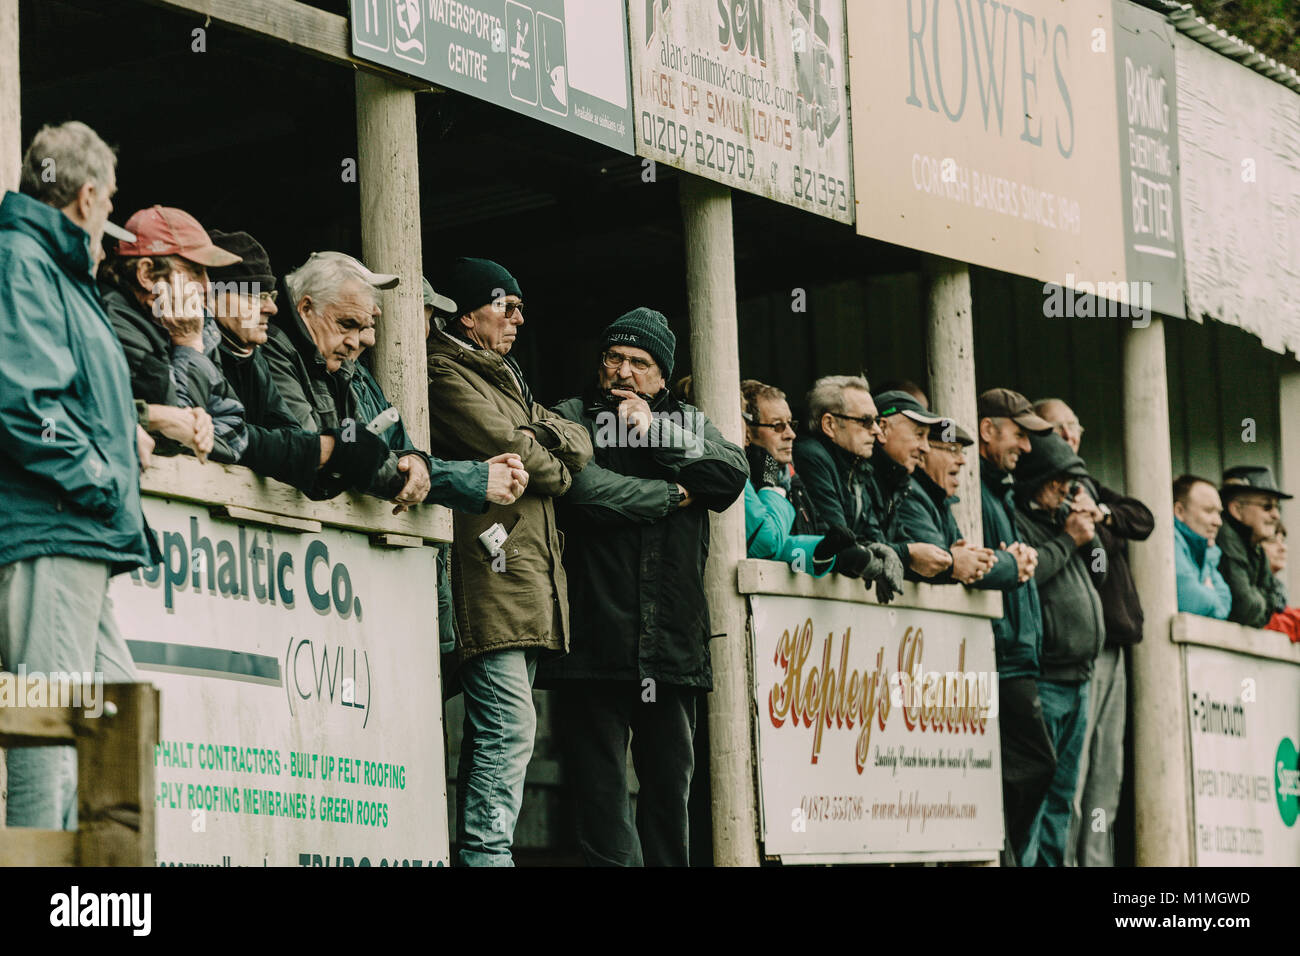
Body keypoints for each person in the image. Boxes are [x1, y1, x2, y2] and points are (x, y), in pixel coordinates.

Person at [543, 308, 748, 866]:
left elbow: (729, 479)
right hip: (593, 638)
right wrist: (673, 496)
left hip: (670, 643)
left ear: (662, 374)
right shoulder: (571, 415)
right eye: (615, 357)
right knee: (601, 798)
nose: (624, 372)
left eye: (640, 362)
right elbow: (582, 491)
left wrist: (654, 431)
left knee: (668, 795)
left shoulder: (687, 421)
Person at [0, 121, 159, 828]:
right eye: (112, 199)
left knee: (114, 728)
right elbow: (24, 406)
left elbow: (54, 396)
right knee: (50, 738)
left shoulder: (52, 266)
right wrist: (102, 478)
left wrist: (124, 434)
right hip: (53, 526)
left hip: (77, 532)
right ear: (90, 196)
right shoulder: (22, 261)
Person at [425, 257, 591, 866]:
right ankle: (487, 859)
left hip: (519, 581)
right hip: (487, 576)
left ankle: (482, 858)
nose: (519, 317)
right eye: (505, 304)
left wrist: (544, 444)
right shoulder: (445, 372)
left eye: (521, 306)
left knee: (497, 732)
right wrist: (545, 447)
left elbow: (577, 441)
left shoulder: (503, 377)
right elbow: (532, 458)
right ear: (466, 314)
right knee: (510, 730)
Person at [1034, 398, 1153, 868]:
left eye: (1075, 426)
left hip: (1115, 645)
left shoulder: (1089, 489)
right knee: (1072, 775)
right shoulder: (1043, 493)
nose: (1071, 435)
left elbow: (1143, 518)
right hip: (1074, 654)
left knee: (1108, 772)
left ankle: (1098, 862)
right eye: (1059, 428)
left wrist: (1099, 512)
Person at [202, 230, 397, 497]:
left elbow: (305, 459)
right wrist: (327, 450)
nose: (271, 308)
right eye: (254, 296)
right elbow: (221, 436)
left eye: (270, 295)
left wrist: (332, 454)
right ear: (209, 297)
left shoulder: (251, 355)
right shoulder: (266, 348)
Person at [263, 251, 440, 511]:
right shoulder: (275, 348)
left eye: (363, 327)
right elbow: (318, 449)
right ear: (306, 308)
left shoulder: (330, 364)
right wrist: (403, 476)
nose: (356, 342)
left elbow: (353, 441)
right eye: (346, 324)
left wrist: (416, 461)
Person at [1013, 431, 1107, 867]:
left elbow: (1102, 575)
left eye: (1073, 487)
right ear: (1038, 481)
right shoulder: (1019, 520)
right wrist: (1070, 539)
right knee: (1038, 793)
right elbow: (1029, 576)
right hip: (1045, 679)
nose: (1067, 494)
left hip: (1080, 680)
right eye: (1060, 485)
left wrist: (1092, 539)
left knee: (1064, 796)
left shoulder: (1064, 522)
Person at [100, 205, 245, 461]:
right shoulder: (117, 321)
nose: (207, 287)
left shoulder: (180, 322)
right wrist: (188, 344)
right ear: (145, 274)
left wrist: (205, 439)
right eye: (195, 271)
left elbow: (234, 428)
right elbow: (175, 427)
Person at [975, 387, 1052, 866]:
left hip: (1018, 658)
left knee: (1030, 769)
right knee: (1036, 765)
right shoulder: (976, 490)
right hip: (1001, 660)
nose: (1026, 448)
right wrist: (1011, 563)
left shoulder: (999, 489)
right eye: (1019, 435)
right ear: (988, 430)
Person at [790, 376, 906, 602]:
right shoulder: (812, 456)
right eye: (865, 421)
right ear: (829, 425)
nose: (876, 431)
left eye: (876, 420)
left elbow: (870, 535)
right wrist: (869, 554)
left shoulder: (858, 464)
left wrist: (877, 548)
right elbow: (837, 536)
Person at [739, 378, 851, 576]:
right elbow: (767, 544)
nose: (791, 434)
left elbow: (783, 548)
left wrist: (820, 551)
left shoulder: (790, 477)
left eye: (790, 424)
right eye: (778, 426)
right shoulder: (740, 477)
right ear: (747, 432)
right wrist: (769, 486)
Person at [894, 419, 996, 584]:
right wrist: (1011, 562)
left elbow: (965, 557)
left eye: (962, 452)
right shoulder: (911, 493)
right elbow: (942, 562)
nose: (962, 460)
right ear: (923, 454)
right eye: (953, 450)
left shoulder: (938, 499)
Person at [1217, 465, 1290, 628]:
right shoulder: (1225, 537)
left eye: (1277, 507)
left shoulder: (1254, 546)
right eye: (1267, 506)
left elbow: (1273, 602)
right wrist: (1262, 601)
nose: (1276, 515)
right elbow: (1245, 608)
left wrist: (1260, 601)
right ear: (1236, 509)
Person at [1172, 474, 1232, 619]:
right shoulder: (1169, 540)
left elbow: (1225, 603)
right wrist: (1211, 593)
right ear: (1179, 511)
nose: (1218, 522)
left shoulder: (1207, 551)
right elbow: (1190, 600)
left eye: (1219, 513)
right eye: (1208, 510)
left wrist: (1207, 595)